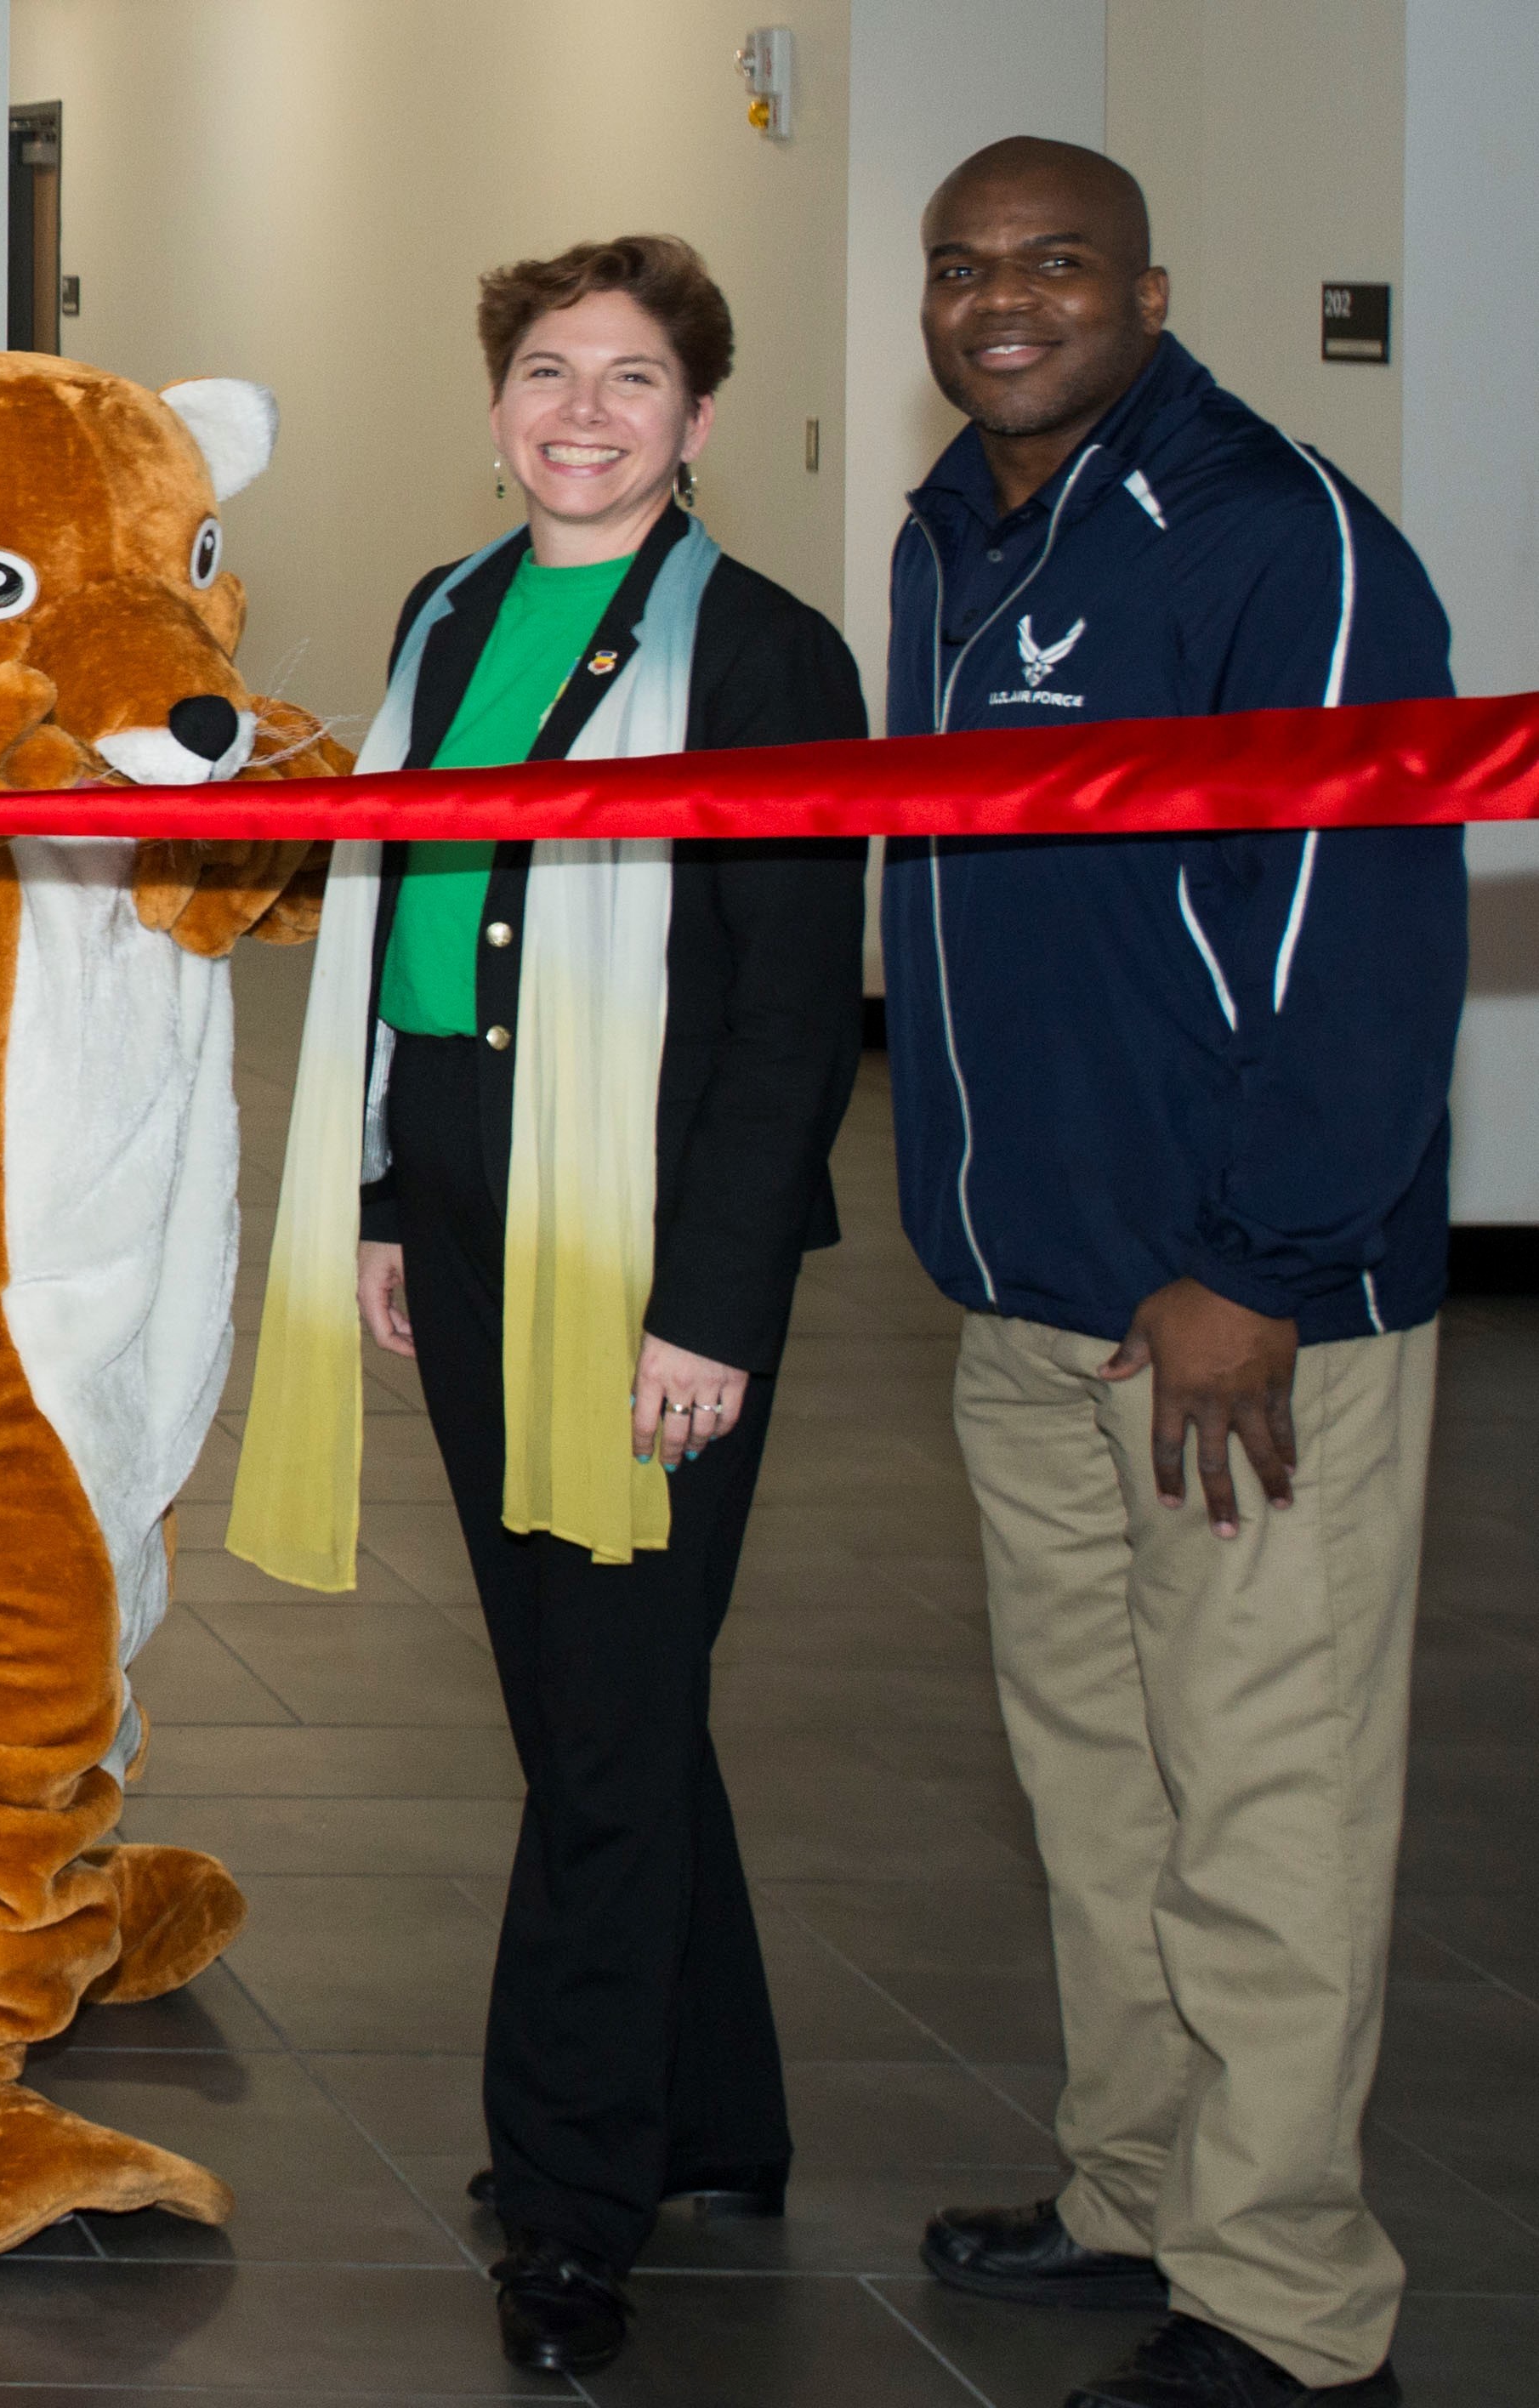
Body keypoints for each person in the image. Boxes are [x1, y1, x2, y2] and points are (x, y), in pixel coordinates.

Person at [226, 234, 866, 2380]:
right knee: (594, 1694)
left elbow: (785, 1020)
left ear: (695, 415)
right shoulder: (446, 610)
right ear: (490, 399)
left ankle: (572, 2193)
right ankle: (714, 2108)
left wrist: (706, 1306)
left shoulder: (766, 656)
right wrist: (392, 1189)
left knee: (596, 1722)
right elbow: (418, 915)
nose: (576, 410)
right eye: (539, 371)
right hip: (477, 1216)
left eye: (626, 377)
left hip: (647, 1265)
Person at [884, 139, 1455, 2408]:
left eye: (1048, 269)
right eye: (960, 271)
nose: (998, 306)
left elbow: (1358, 919)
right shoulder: (966, 524)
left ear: (1141, 286)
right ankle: (1137, 2189)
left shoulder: (1265, 536)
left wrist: (1261, 1262)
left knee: (1262, 1798)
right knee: (1097, 1783)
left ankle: (1286, 2301)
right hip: (1031, 1294)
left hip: (1233, 1317)